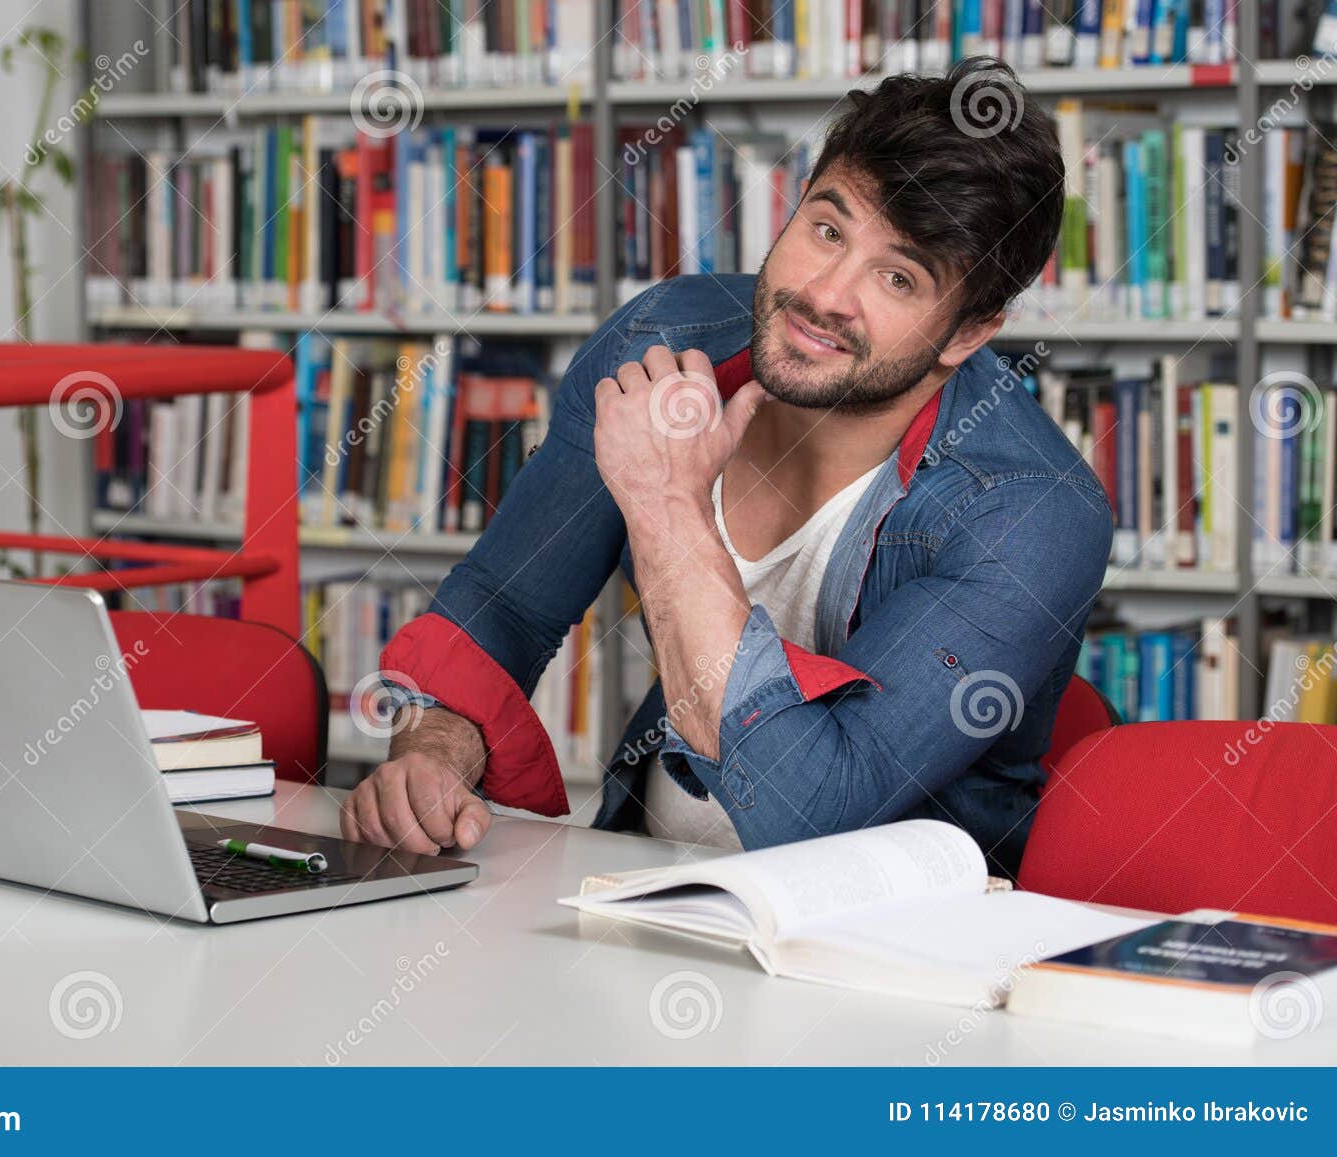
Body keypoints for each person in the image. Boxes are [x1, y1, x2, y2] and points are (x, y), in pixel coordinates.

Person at [338, 58, 1110, 878]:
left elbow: (810, 811)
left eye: (897, 277)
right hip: (648, 887)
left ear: (965, 334)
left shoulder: (1034, 512)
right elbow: (506, 602)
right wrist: (435, 748)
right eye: (827, 228)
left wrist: (668, 505)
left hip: (894, 943)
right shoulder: (662, 340)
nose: (825, 295)